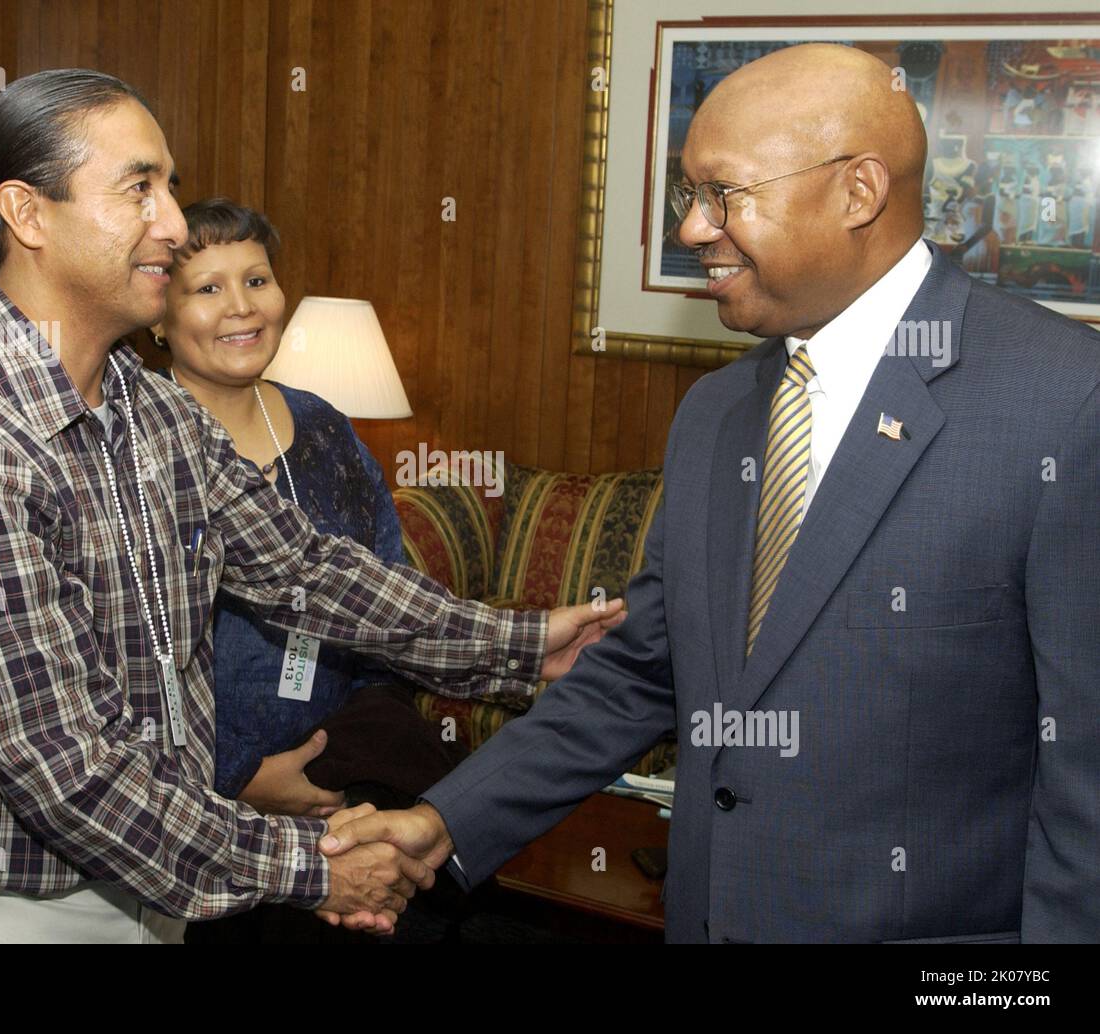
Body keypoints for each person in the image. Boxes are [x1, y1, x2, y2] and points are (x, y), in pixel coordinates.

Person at [0, 68, 621, 944]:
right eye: (139, 189)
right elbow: (63, 769)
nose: (172, 223)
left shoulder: (149, 407)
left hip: (162, 889)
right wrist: (314, 867)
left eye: (172, 187)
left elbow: (307, 574)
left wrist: (523, 646)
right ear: (28, 214)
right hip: (0, 916)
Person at [322, 43, 1100, 944]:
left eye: (722, 195)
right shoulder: (719, 412)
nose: (692, 230)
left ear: (859, 192)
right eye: (689, 197)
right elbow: (645, 669)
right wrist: (444, 822)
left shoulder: (1064, 405)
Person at [148, 198, 484, 941]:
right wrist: (246, 778)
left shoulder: (326, 429)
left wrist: (345, 773)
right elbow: (123, 670)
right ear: (156, 314)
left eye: (257, 280)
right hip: (198, 822)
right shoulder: (136, 454)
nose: (241, 307)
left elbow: (386, 598)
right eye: (207, 288)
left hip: (346, 795)